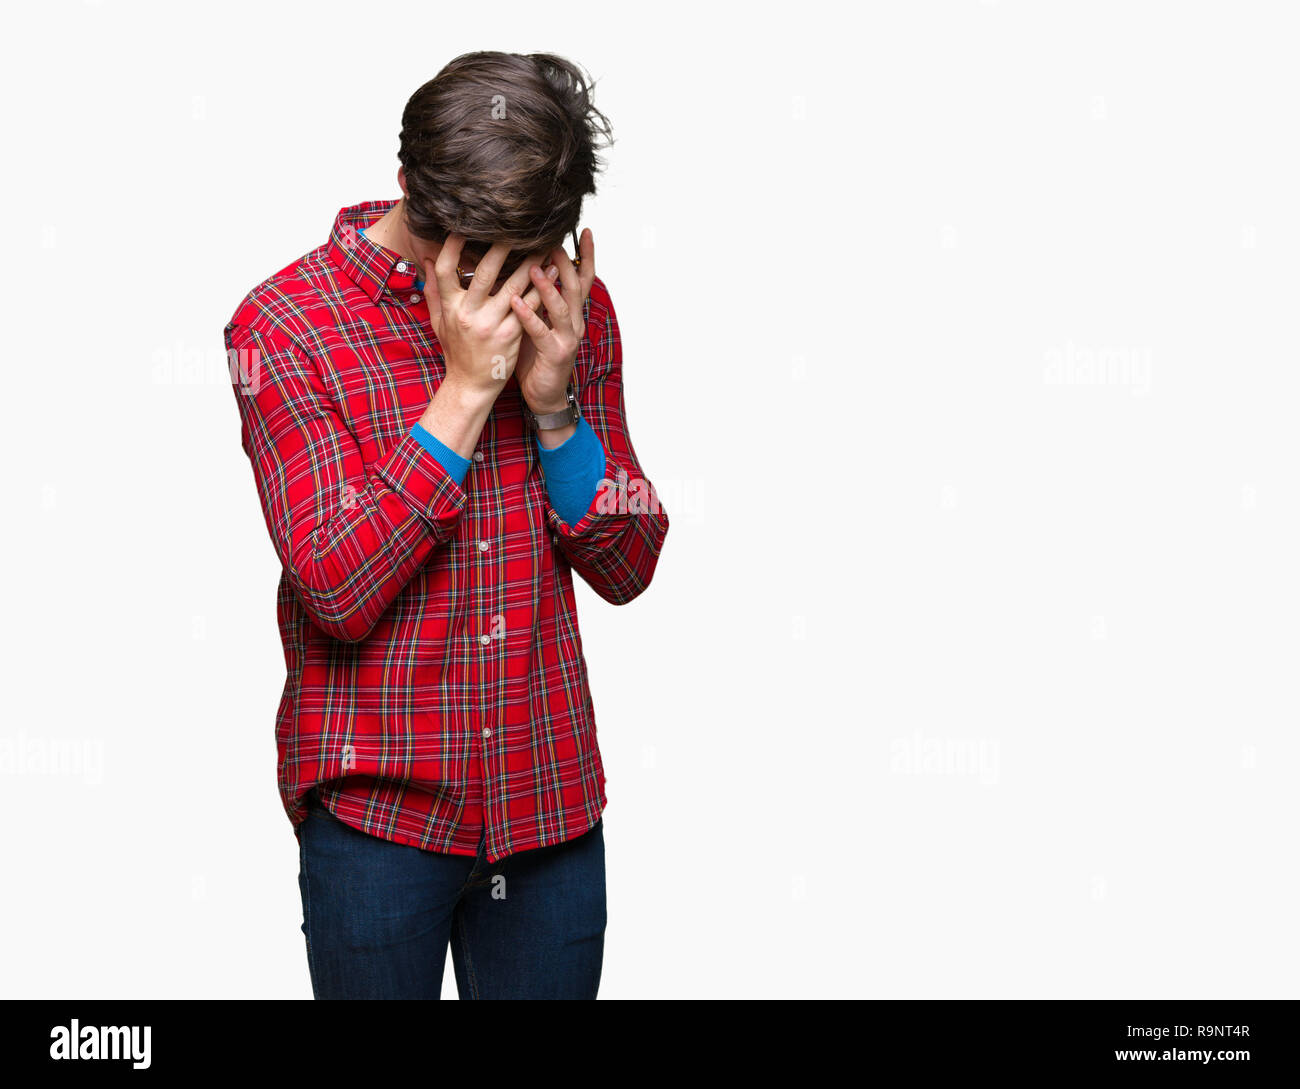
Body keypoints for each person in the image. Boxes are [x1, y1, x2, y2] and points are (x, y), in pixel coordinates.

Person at [224, 51, 669, 999]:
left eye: (545, 253)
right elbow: (336, 589)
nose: (527, 288)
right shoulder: (284, 326)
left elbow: (630, 561)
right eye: (498, 260)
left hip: (547, 805)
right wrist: (465, 392)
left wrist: (556, 413)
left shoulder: (564, 304)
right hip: (378, 824)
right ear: (416, 203)